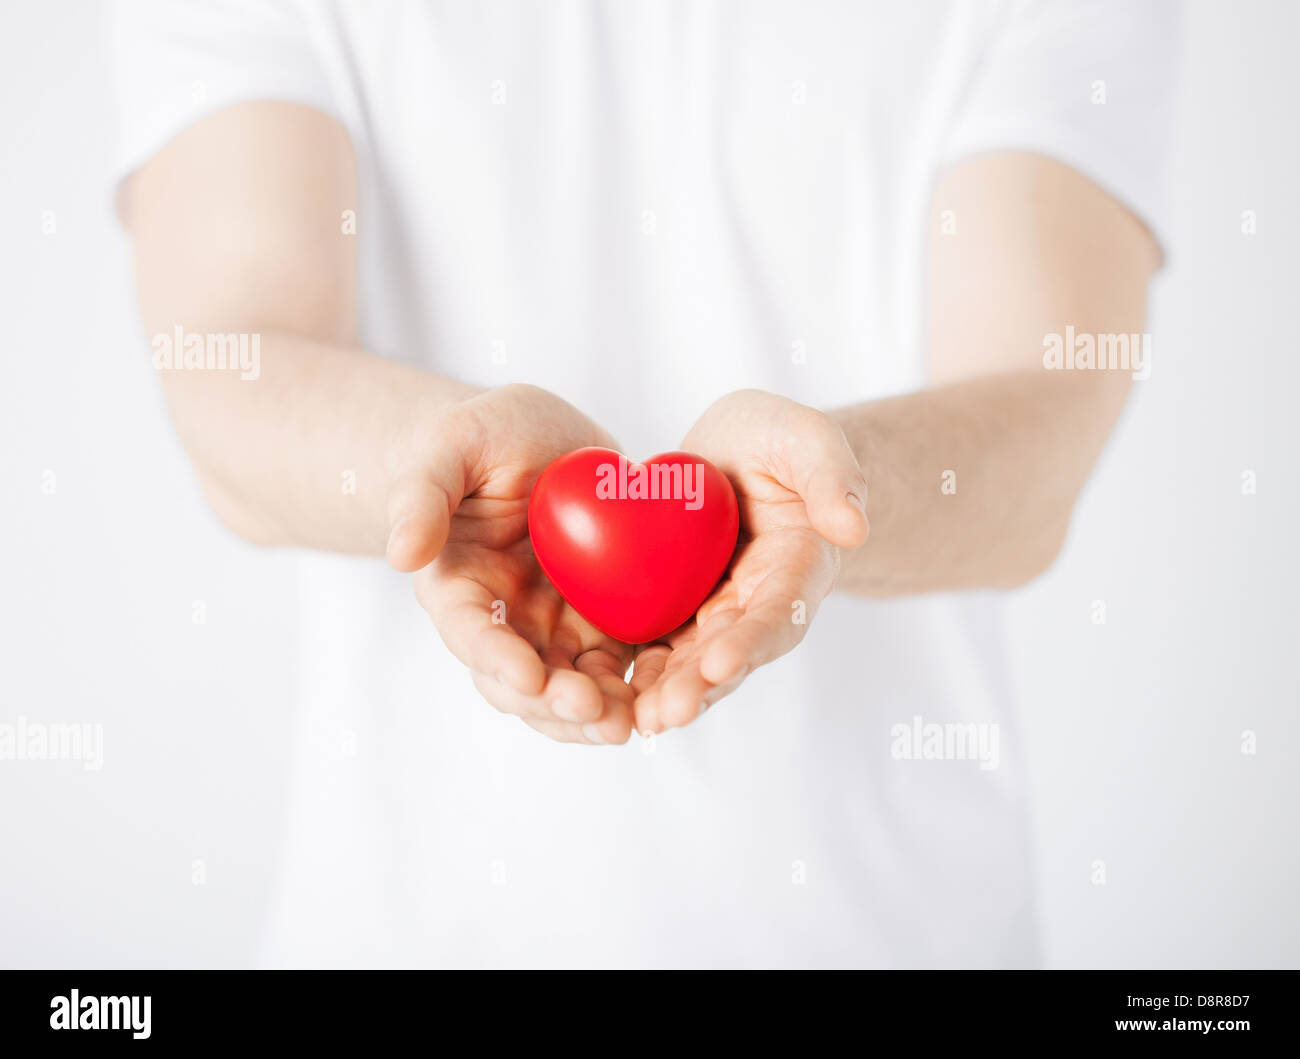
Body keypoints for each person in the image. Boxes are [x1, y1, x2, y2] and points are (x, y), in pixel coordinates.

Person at [110, 0, 1179, 967]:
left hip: (902, 936)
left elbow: (1046, 409)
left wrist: (835, 488)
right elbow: (230, 365)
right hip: (404, 935)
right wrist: (456, 463)